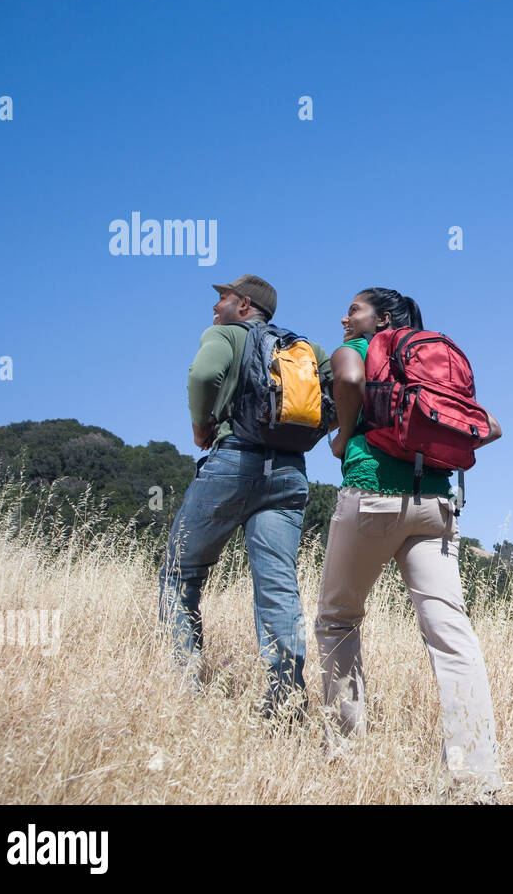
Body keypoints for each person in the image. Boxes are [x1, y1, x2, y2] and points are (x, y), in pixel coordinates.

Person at [315, 287, 503, 800]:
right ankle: (475, 776)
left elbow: (350, 378)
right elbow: (490, 427)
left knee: (338, 618)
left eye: (354, 309)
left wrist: (346, 434)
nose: (344, 316)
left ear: (383, 319)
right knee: (451, 636)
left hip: (373, 495)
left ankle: (346, 751)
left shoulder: (357, 352)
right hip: (437, 505)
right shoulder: (434, 362)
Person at [157, 274, 332, 719]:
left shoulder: (226, 335)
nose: (215, 307)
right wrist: (314, 433)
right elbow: (346, 388)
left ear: (245, 306)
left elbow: (202, 373)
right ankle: (286, 699)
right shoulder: (303, 349)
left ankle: (183, 689)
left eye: (223, 299)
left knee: (181, 571)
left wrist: (201, 426)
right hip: (289, 472)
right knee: (277, 588)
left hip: (234, 462)